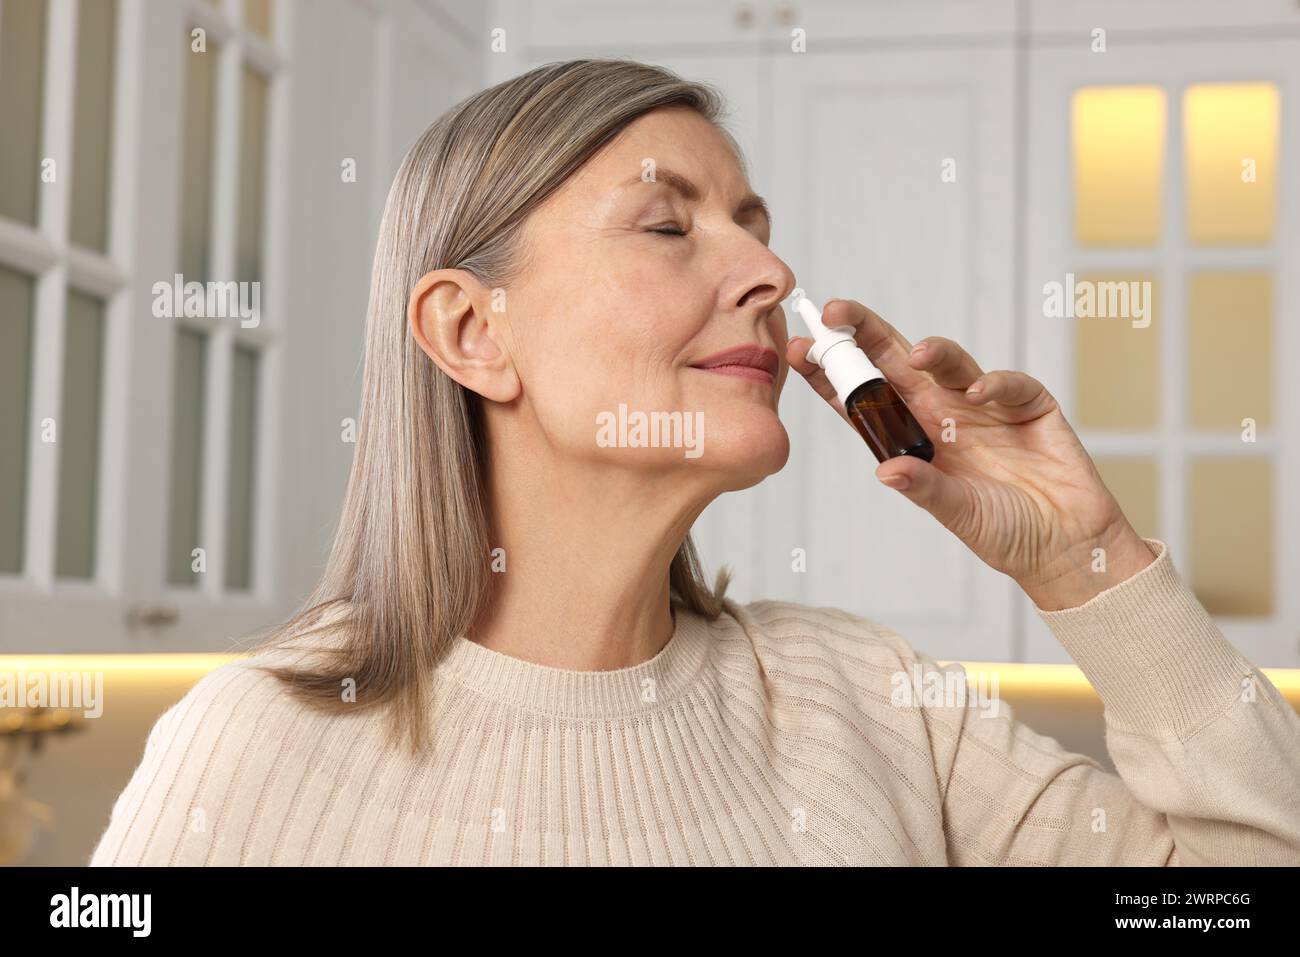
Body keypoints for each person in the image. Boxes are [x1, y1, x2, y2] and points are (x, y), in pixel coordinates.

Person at [90, 59, 1300, 866]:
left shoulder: (868, 706)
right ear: (471, 333)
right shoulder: (257, 746)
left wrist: (1090, 563)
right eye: (670, 226)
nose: (769, 279)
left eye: (756, 231)